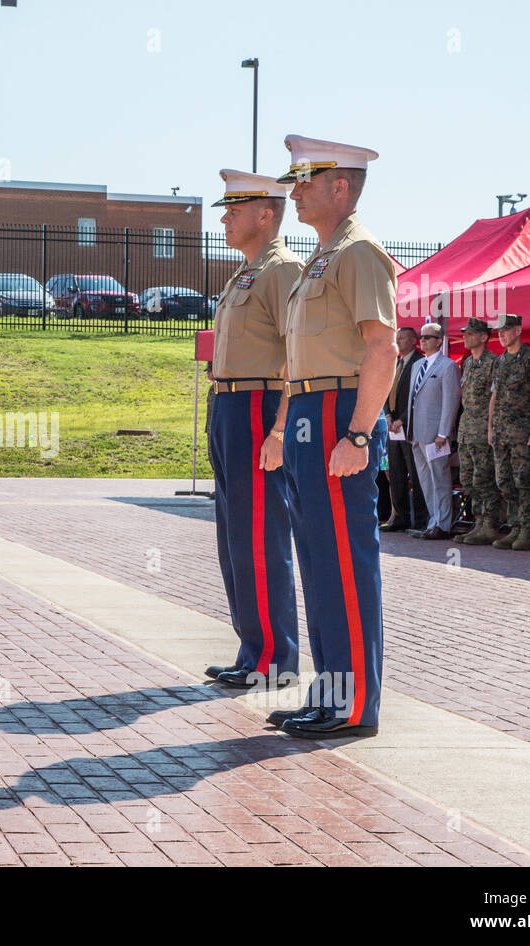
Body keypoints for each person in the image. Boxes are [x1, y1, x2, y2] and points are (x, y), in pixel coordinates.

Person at [265, 134, 396, 739]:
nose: (293, 191)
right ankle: (329, 692)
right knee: (318, 562)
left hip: (340, 415)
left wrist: (360, 434)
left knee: (344, 561)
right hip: (307, 414)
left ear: (338, 186)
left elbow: (382, 347)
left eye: (304, 180)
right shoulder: (322, 256)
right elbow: (299, 359)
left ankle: (353, 706)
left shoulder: (359, 252)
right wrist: (283, 427)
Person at [200, 169, 303, 690]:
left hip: (261, 407)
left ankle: (276, 658)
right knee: (235, 536)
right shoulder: (246, 273)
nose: (224, 218)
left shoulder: (281, 271)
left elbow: (298, 356)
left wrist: (281, 430)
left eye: (233, 210)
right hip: (230, 408)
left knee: (262, 536)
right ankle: (252, 648)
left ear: (265, 214)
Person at [487, 314, 530, 551]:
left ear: (518, 330)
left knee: (524, 480)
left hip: (525, 434)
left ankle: (526, 530)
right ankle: (514, 527)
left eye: (505, 330)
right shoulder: (500, 361)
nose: (501, 335)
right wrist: (491, 428)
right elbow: (494, 396)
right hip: (503, 433)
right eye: (499, 332)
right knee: (504, 482)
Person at [406, 322, 460, 539]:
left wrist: (443, 432)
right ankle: (433, 521)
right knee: (425, 481)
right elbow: (412, 399)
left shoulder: (448, 366)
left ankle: (443, 524)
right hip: (416, 433)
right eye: (422, 336)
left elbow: (451, 401)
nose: (423, 340)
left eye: (428, 337)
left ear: (439, 341)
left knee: (439, 478)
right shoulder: (416, 366)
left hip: (436, 434)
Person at [453, 319, 502, 545]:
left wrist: (492, 428)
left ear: (484, 337)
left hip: (483, 429)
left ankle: (489, 525)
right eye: (465, 333)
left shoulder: (493, 362)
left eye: (471, 333)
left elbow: (496, 398)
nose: (465, 337)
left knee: (484, 478)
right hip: (466, 429)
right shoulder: (468, 363)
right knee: (468, 479)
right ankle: (479, 523)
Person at [381, 326, 428, 532]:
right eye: (396, 337)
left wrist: (402, 419)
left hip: (410, 426)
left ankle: (420, 520)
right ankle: (400, 516)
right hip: (392, 427)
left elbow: (418, 396)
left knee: (415, 474)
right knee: (396, 473)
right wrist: (388, 416)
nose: (398, 341)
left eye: (402, 338)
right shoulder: (394, 363)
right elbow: (384, 390)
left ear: (414, 340)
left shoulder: (420, 362)